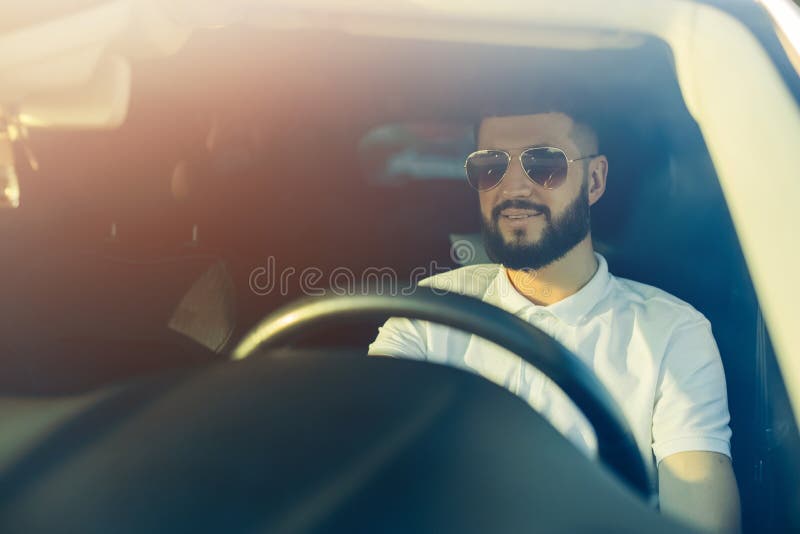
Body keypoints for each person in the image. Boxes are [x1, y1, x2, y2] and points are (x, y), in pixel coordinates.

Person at [368, 112, 741, 533]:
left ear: (595, 181)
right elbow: (368, 466)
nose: (511, 186)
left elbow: (699, 514)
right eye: (490, 166)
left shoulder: (672, 332)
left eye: (543, 164)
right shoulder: (427, 312)